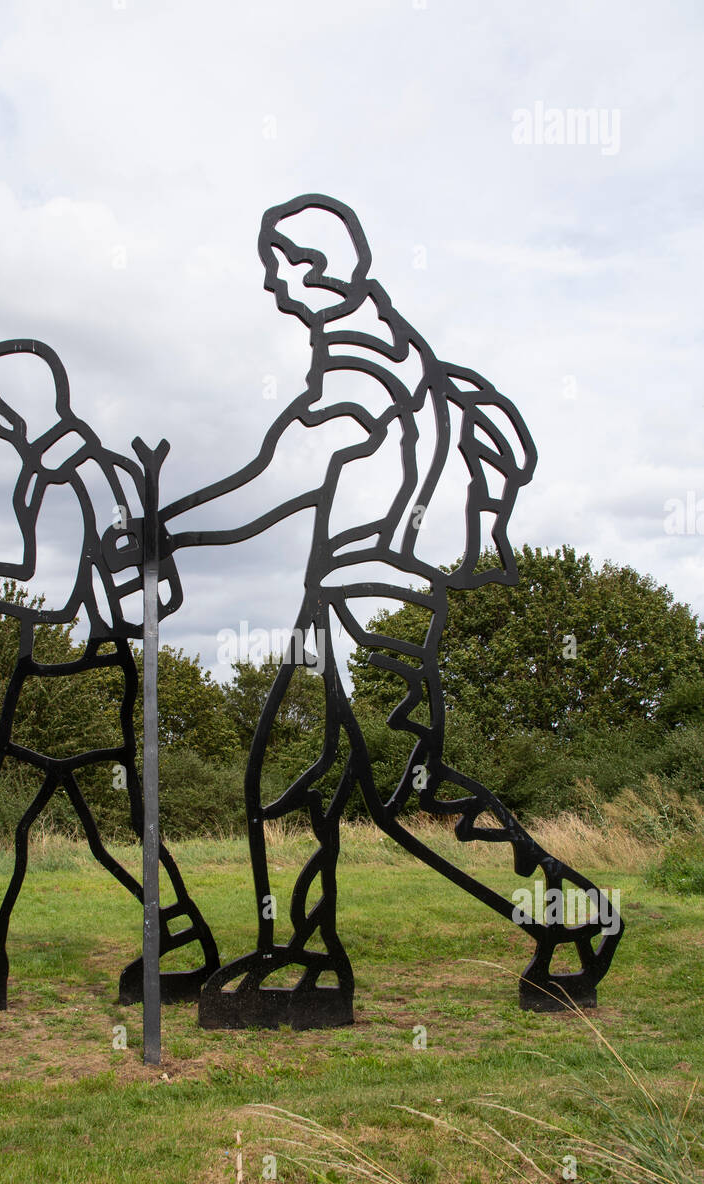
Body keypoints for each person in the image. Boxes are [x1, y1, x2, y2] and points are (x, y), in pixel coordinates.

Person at [160, 193, 623, 1028]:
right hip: (349, 602)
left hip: (370, 605)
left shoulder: (362, 363)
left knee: (390, 793)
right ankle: (310, 954)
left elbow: (277, 479)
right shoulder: (387, 351)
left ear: (324, 266)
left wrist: (164, 531)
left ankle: (574, 917)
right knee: (306, 787)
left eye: (283, 266)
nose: (273, 286)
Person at [0, 339, 219, 1009]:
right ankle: (177, 933)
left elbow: (47, 586)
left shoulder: (65, 473)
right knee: (90, 832)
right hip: (82, 663)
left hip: (66, 666)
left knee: (12, 820)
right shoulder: (88, 465)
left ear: (18, 407)